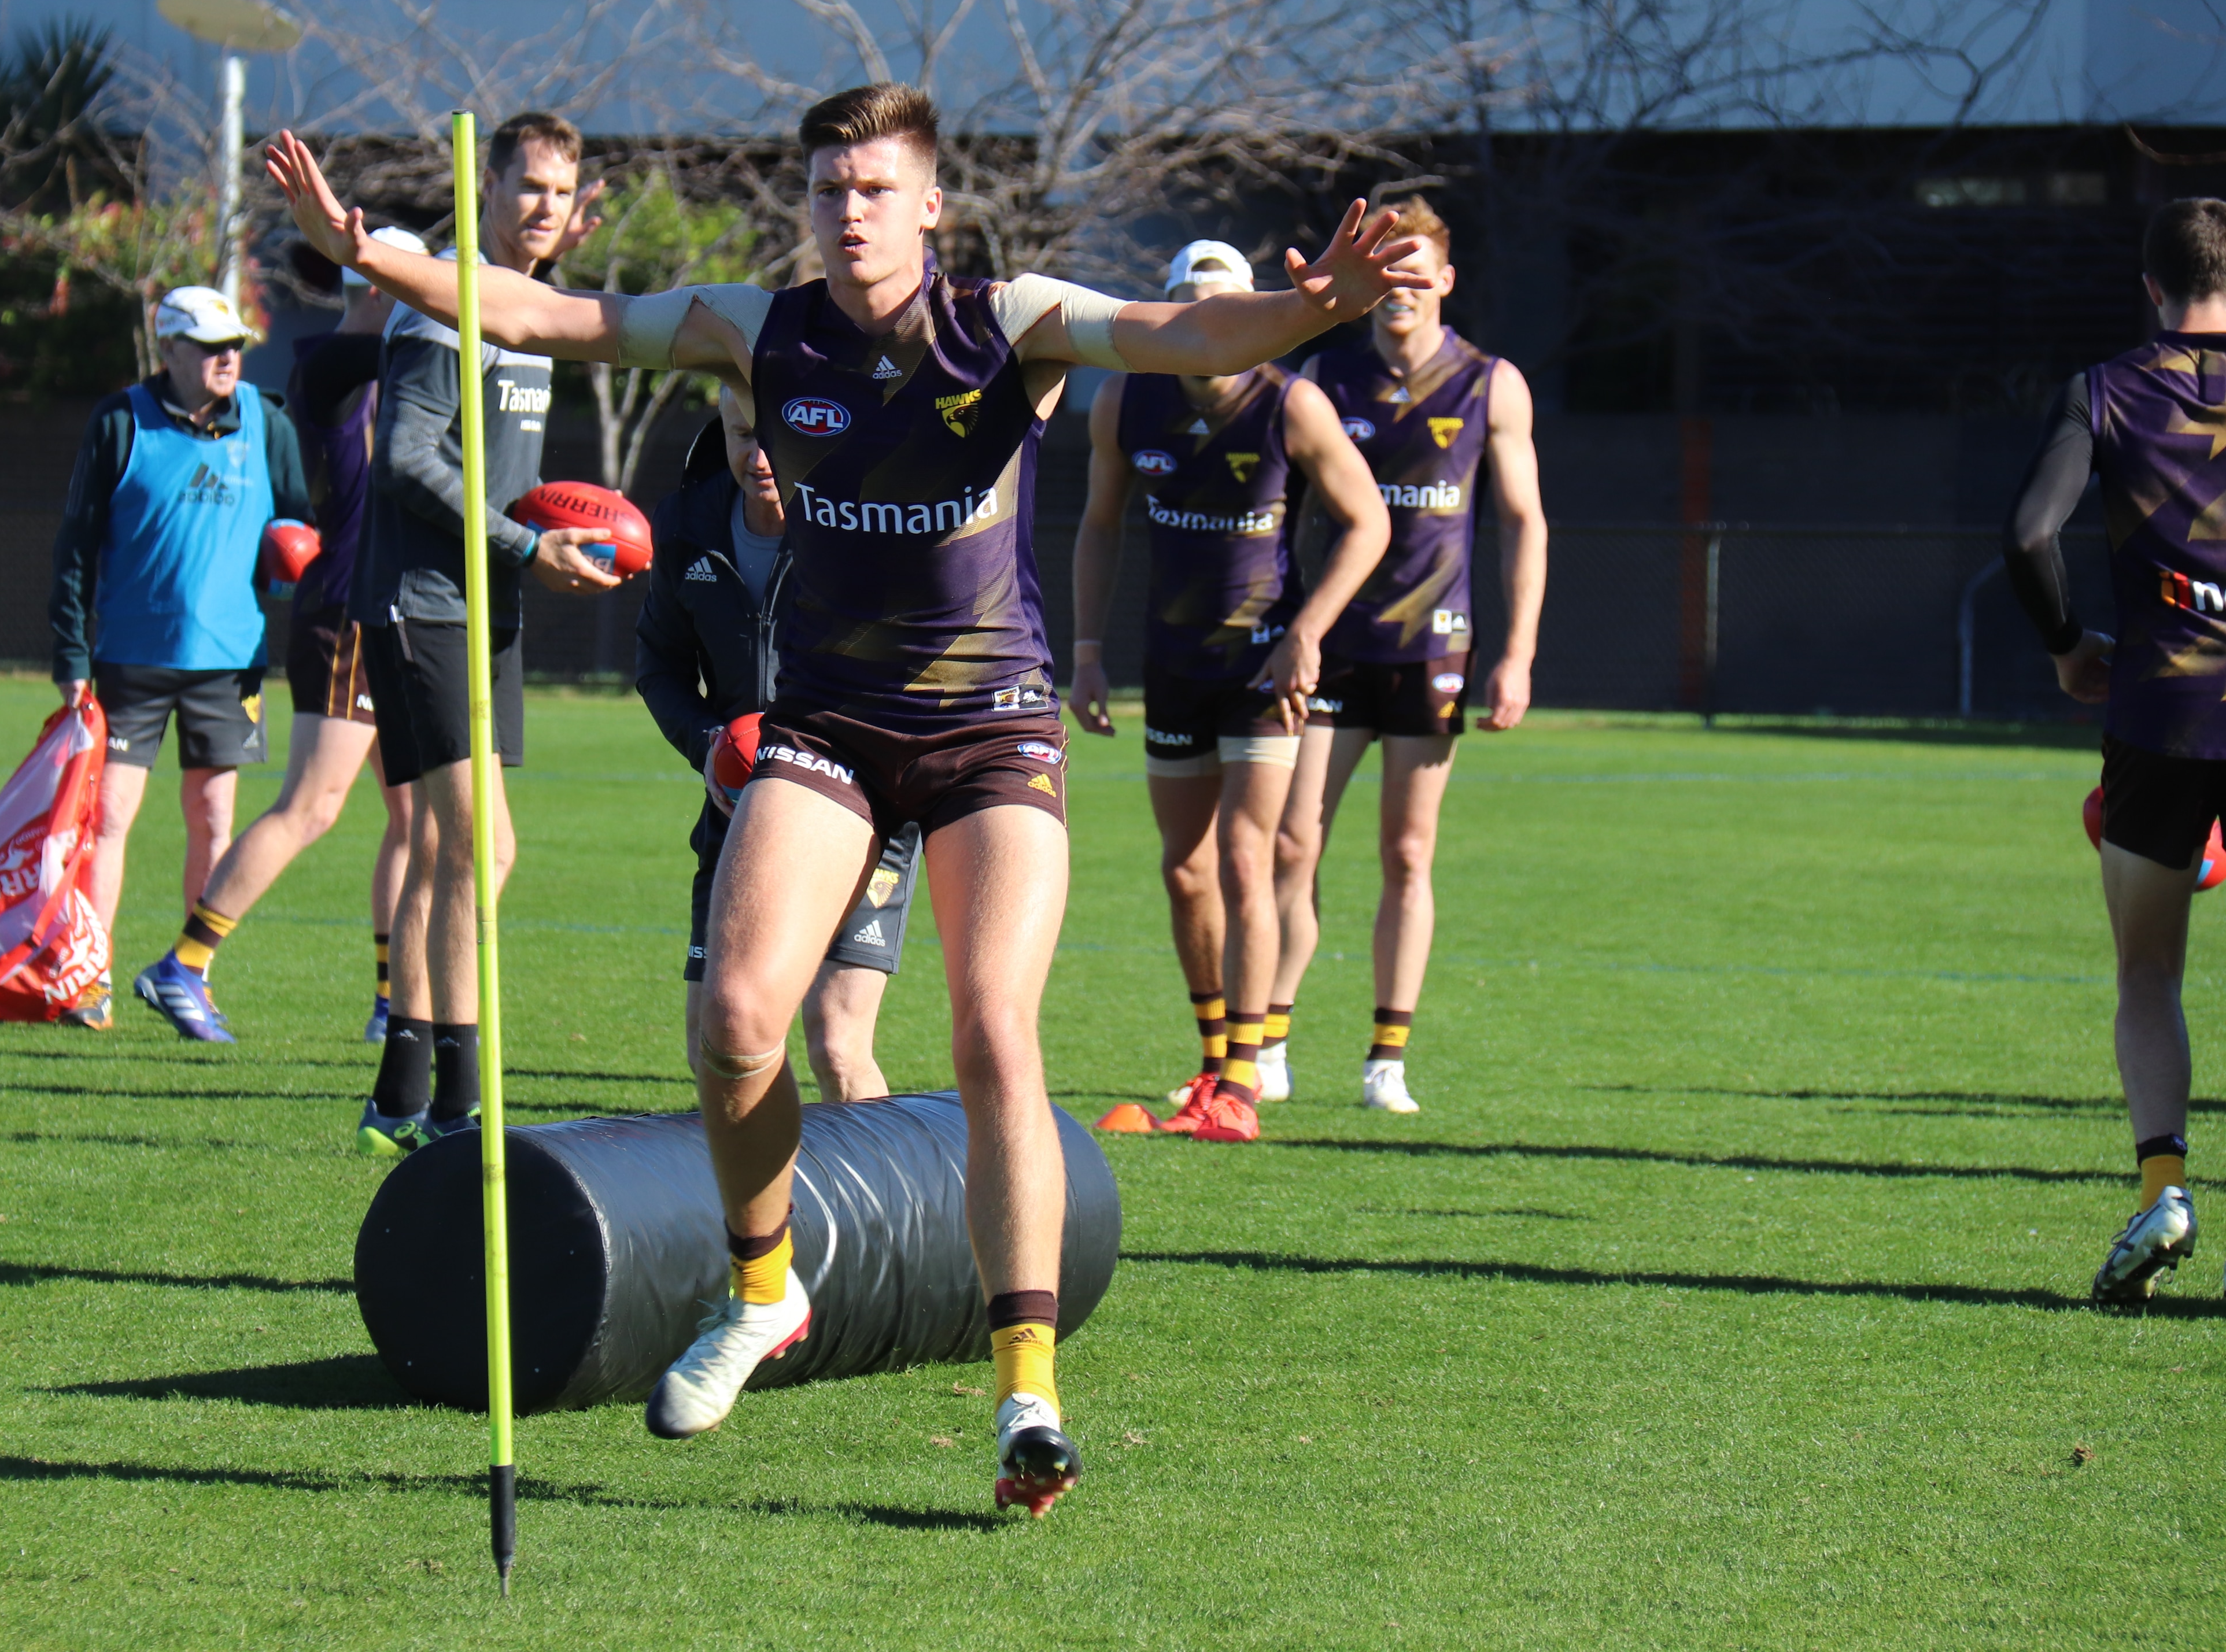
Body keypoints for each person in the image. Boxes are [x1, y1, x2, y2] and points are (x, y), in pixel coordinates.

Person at [268, 82, 1430, 1516]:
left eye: (875, 188)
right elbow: (542, 317)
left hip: (991, 730)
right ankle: (767, 1290)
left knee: (994, 1030)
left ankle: (1025, 1389)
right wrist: (361, 246)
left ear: (931, 203)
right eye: (825, 190)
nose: (848, 211)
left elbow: (1189, 335)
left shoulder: (1012, 323)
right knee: (737, 1017)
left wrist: (1315, 310)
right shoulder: (759, 330)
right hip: (828, 723)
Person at [2005, 195, 2226, 1322]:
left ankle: (2161, 1189)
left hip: (2152, 721)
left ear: (2147, 286)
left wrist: (2065, 648)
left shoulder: (2103, 390)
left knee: (2146, 975)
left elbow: (2027, 533)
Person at [323, 112, 622, 1157]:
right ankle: (456, 1100)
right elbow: (405, 454)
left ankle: (400, 1095)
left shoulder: (523, 299)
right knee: (478, 846)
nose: (542, 206)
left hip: (479, 600)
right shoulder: (446, 303)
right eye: (526, 186)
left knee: (454, 849)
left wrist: (536, 541)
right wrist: (520, 543)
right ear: (484, 186)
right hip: (427, 598)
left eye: (558, 191)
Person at [1068, 240, 1391, 1141]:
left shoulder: (1294, 403)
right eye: (1190, 308)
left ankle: (1244, 1081)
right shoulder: (1129, 399)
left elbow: (1369, 523)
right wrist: (1087, 651)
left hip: (1263, 669)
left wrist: (1307, 633)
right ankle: (1213, 1060)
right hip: (1174, 665)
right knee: (1184, 870)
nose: (1208, 327)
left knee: (1249, 859)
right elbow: (1100, 524)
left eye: (1224, 308)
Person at [1267, 197, 1546, 1114]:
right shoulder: (1324, 378)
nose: (1403, 288)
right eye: (1389, 272)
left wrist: (1519, 654)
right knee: (1294, 842)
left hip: (1436, 648)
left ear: (1446, 281)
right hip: (1333, 643)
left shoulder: (1490, 383)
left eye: (1419, 272)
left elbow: (1523, 520)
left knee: (1408, 851)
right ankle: (1268, 1042)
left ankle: (1387, 1057)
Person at [126, 254, 420, 1055]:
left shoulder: (397, 371)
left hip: (396, 613)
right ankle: (185, 963)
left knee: (413, 815)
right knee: (311, 806)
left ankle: (394, 1000)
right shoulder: (332, 367)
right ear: (373, 296)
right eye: (401, 288)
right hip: (350, 616)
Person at [638, 395, 921, 1105]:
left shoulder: (867, 525)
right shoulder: (686, 525)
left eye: (778, 440)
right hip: (738, 809)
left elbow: (914, 668)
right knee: (714, 1039)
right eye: (742, 436)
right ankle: (764, 1213)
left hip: (860, 805)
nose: (759, 457)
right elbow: (658, 664)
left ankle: (876, 1212)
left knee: (836, 1041)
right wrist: (708, 744)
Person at [49, 285, 313, 1041]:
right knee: (109, 819)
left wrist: (295, 560)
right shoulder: (120, 420)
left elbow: (299, 526)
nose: (228, 358)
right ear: (169, 351)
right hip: (131, 656)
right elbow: (74, 547)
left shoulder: (267, 422)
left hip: (229, 662)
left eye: (235, 345)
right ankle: (88, 973)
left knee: (214, 817)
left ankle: (194, 976)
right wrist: (69, 651)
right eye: (209, 347)